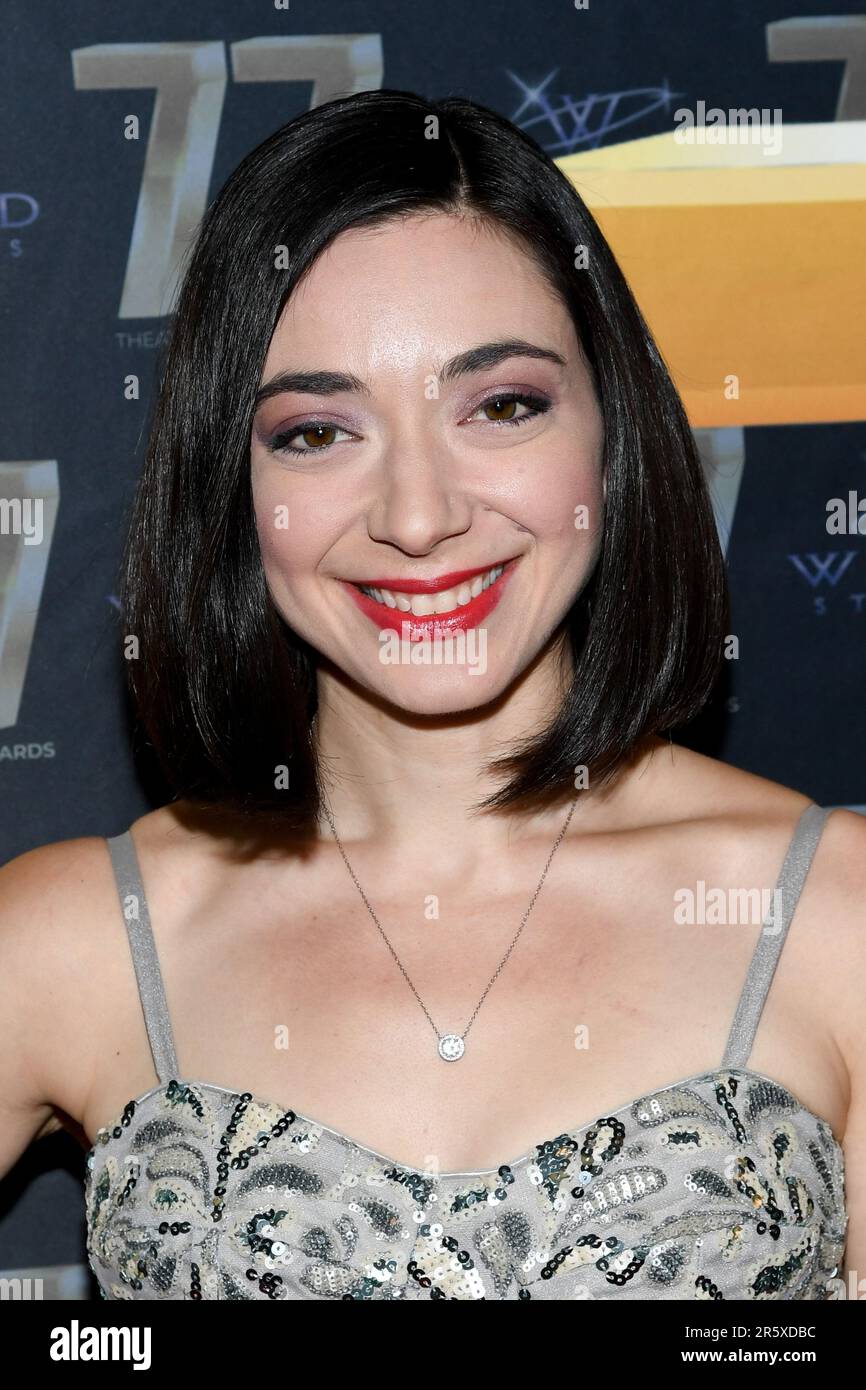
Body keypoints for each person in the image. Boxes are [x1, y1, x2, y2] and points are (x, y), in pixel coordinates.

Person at [0, 89, 862, 1302]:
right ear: (229, 485)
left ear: (609, 435)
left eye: (498, 406)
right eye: (315, 431)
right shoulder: (74, 943)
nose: (418, 516)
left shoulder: (836, 918)